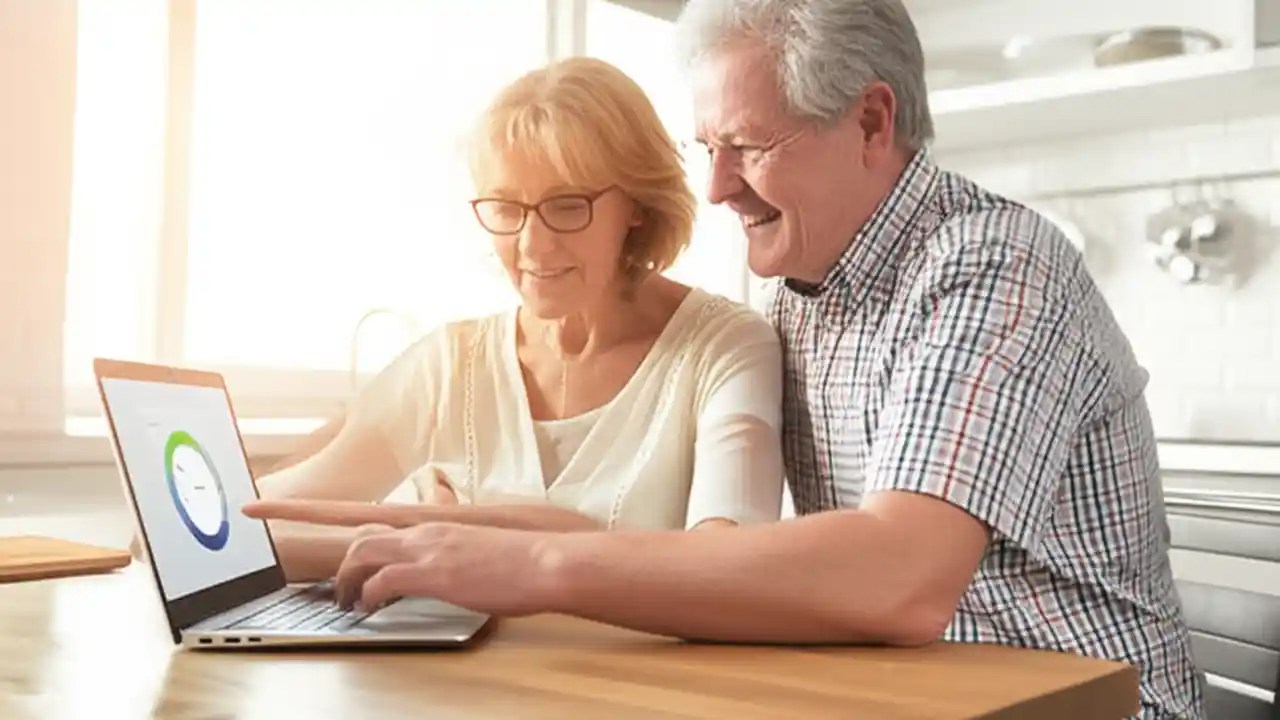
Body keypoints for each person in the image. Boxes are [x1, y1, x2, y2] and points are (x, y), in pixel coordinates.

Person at [246, 1, 1203, 717]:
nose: (712, 187)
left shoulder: (990, 264)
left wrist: (537, 561)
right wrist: (498, 540)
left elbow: (899, 577)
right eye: (706, 146)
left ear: (872, 124)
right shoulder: (800, 297)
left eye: (744, 145)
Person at [247, 56, 787, 581]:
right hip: (455, 677)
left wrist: (478, 533)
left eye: (567, 205)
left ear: (638, 206)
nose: (532, 245)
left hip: (636, 678)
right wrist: (417, 538)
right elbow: (255, 525)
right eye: (507, 207)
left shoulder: (726, 347)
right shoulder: (450, 366)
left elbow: (732, 567)